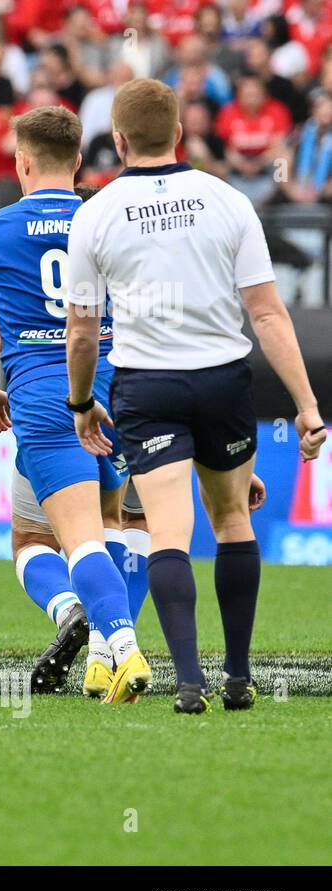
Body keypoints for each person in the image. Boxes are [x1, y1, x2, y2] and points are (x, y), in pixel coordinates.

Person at [65, 79, 327, 713]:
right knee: (233, 519)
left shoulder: (94, 212)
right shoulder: (227, 199)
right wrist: (308, 405)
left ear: (119, 140)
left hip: (147, 386)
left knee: (169, 530)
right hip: (223, 380)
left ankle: (189, 682)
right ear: (180, 133)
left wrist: (79, 404)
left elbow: (80, 329)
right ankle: (238, 676)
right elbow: (267, 315)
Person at [0, 107, 154, 704]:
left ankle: (123, 646)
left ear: (22, 161)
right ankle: (102, 663)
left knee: (64, 537)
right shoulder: (108, 220)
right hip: (124, 390)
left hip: (46, 398)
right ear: (79, 160)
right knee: (119, 525)